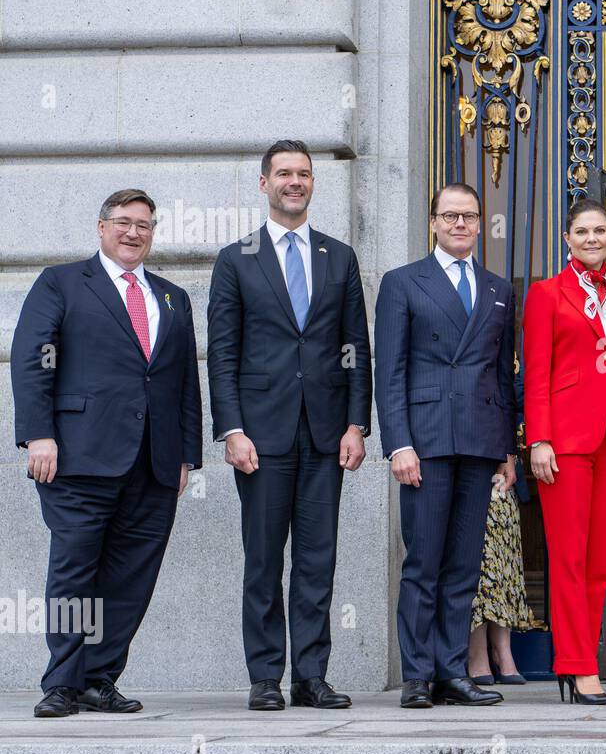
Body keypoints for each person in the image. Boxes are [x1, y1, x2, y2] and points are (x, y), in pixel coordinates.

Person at [12, 188, 202, 718]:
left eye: (144, 224)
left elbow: (185, 380)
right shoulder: (62, 282)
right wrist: (39, 434)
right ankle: (62, 681)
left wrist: (186, 453)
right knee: (74, 571)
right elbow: (32, 358)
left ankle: (100, 678)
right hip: (79, 456)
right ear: (101, 227)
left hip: (154, 462)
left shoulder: (172, 297)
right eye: (123, 222)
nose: (133, 232)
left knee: (130, 577)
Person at [208, 140, 372, 712]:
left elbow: (356, 347)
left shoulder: (339, 257)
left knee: (317, 559)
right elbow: (222, 354)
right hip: (260, 435)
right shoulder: (237, 259)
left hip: (326, 434)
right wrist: (231, 429)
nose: (294, 181)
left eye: (303, 173)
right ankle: (264, 676)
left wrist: (357, 424)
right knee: (263, 559)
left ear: (312, 183)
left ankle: (311, 676)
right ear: (265, 183)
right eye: (284, 173)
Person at [374, 183, 518, 708]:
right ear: (433, 221)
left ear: (481, 223)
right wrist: (399, 445)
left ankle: (452, 671)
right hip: (426, 442)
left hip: (479, 442)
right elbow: (389, 371)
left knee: (463, 565)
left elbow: (503, 376)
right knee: (423, 562)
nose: (460, 224)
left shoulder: (499, 288)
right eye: (450, 215)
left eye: (469, 216)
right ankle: (417, 675)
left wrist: (507, 450)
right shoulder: (402, 282)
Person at [523, 198, 606, 705]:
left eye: (600, 230)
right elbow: (536, 371)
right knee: (568, 558)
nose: (592, 238)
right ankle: (578, 667)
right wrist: (538, 438)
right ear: (567, 238)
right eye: (582, 231)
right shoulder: (545, 294)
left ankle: (581, 662)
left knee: (600, 561)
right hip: (564, 442)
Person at [468, 364, 537, 685]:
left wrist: (509, 450)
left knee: (504, 561)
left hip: (502, 463)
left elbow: (517, 398)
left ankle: (503, 650)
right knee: (477, 563)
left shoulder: (509, 348)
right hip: (466, 456)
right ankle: (477, 653)